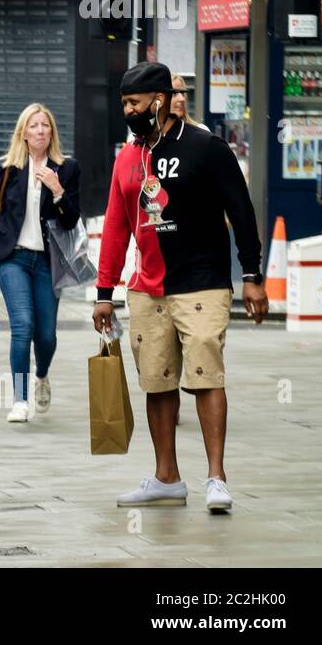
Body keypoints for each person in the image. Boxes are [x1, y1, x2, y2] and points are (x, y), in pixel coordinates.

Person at [94, 62, 267, 514]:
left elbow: (241, 211)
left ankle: (217, 477)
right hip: (147, 287)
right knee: (157, 379)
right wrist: (104, 292)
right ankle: (167, 477)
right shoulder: (128, 158)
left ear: (158, 101)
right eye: (123, 104)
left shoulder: (206, 147)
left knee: (206, 369)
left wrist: (252, 276)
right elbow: (115, 227)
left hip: (203, 282)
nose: (128, 112)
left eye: (134, 103)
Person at [0, 104, 81, 422]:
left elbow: (71, 220)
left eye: (45, 125)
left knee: (46, 335)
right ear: (23, 133)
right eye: (34, 125)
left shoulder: (67, 168)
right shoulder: (10, 168)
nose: (41, 130)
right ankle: (20, 399)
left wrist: (57, 190)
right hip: (12, 257)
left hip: (47, 260)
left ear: (51, 131)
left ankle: (41, 374)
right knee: (23, 326)